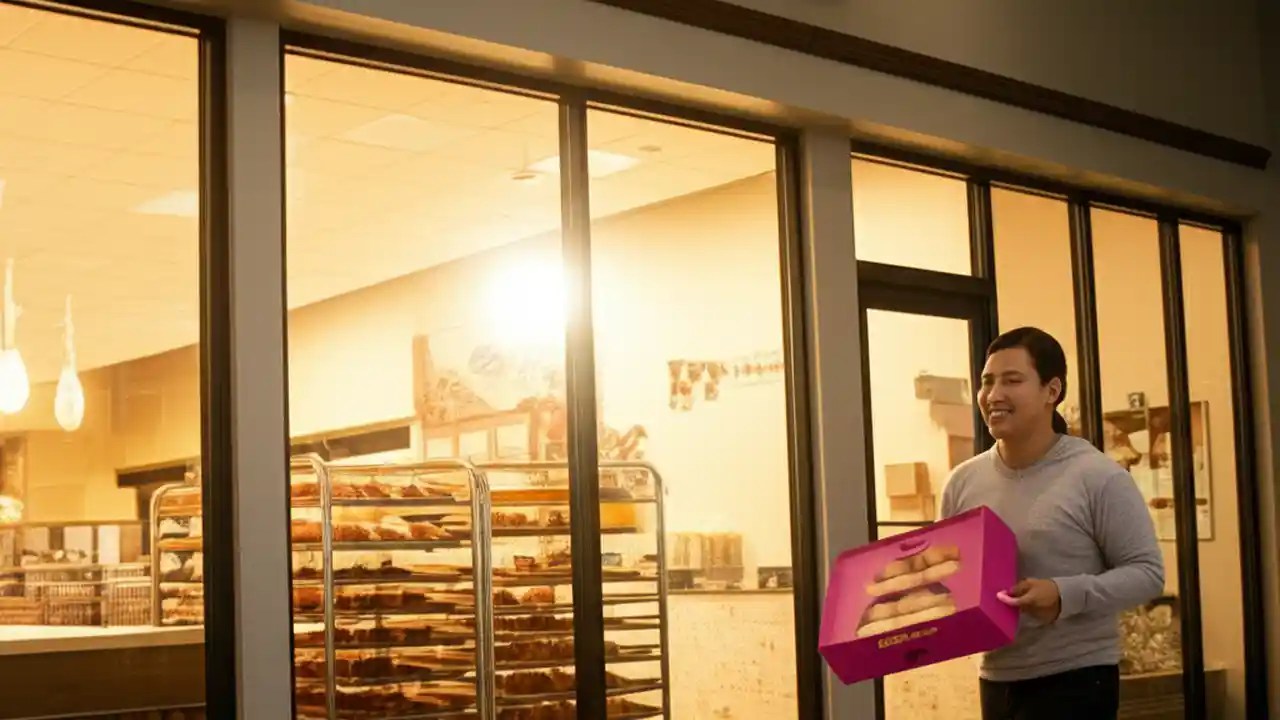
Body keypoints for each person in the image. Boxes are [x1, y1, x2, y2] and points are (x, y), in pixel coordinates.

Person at [940, 326, 1164, 720]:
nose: (994, 395)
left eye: (1012, 380)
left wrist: (1064, 594)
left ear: (1052, 391)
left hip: (1076, 678)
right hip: (995, 677)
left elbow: (1147, 574)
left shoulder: (1097, 476)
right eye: (987, 382)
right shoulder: (962, 481)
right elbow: (950, 577)